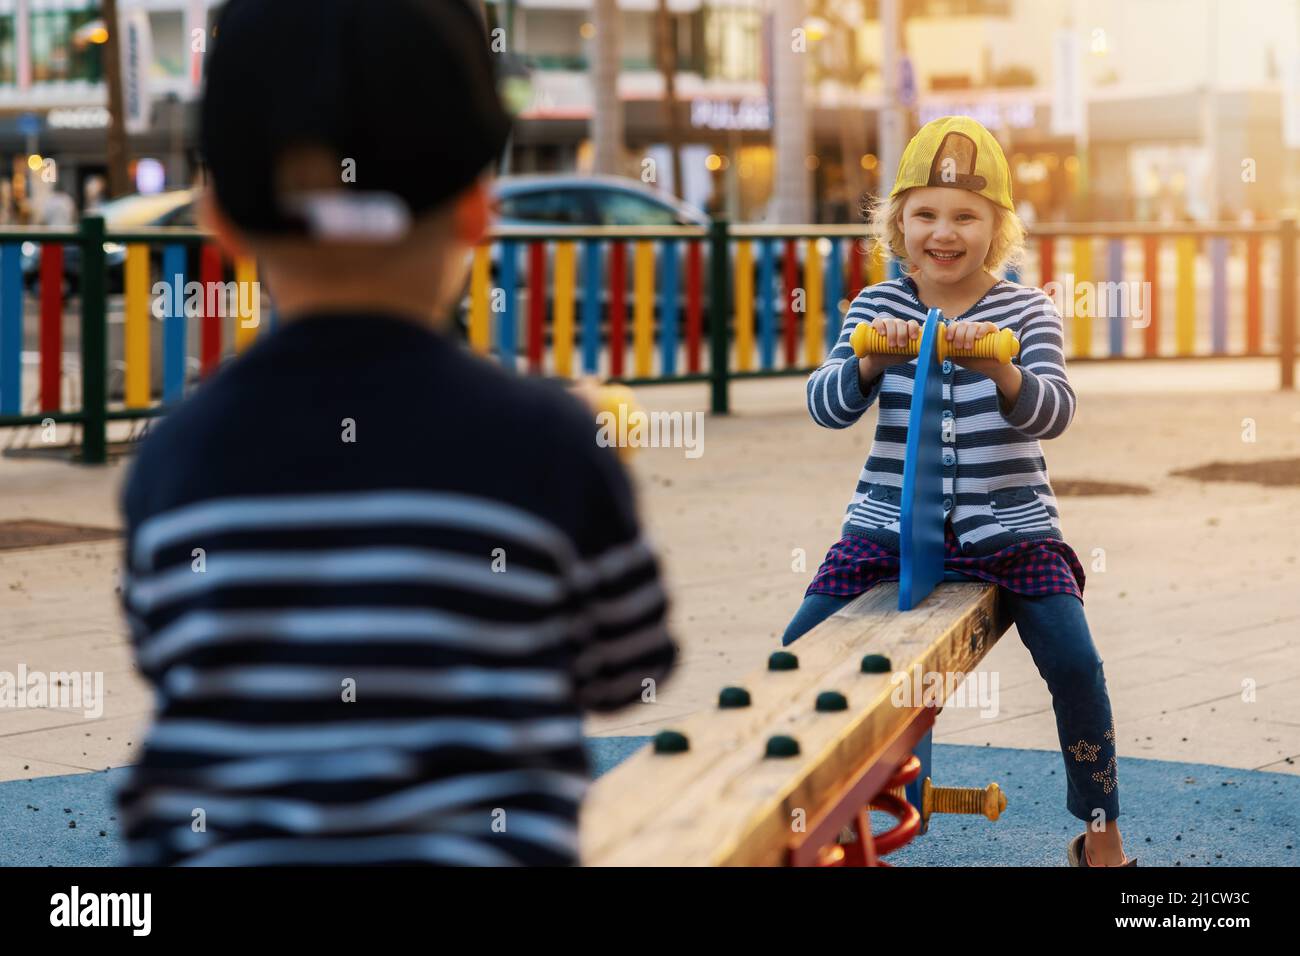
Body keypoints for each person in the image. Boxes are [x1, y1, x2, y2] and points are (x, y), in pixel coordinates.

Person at [115, 0, 676, 866]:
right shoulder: (549, 442)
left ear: (218, 217)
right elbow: (629, 670)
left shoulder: (176, 453)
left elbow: (168, 654)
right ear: (476, 212)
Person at [791, 116, 1133, 867]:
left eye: (965, 217)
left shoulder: (1026, 311)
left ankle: (1100, 830)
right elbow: (824, 404)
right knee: (799, 653)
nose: (943, 233)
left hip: (1009, 530)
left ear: (997, 229)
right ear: (898, 224)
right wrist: (868, 362)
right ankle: (819, 823)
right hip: (884, 529)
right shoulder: (878, 307)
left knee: (1075, 661)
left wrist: (1004, 373)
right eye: (925, 215)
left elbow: (1057, 410)